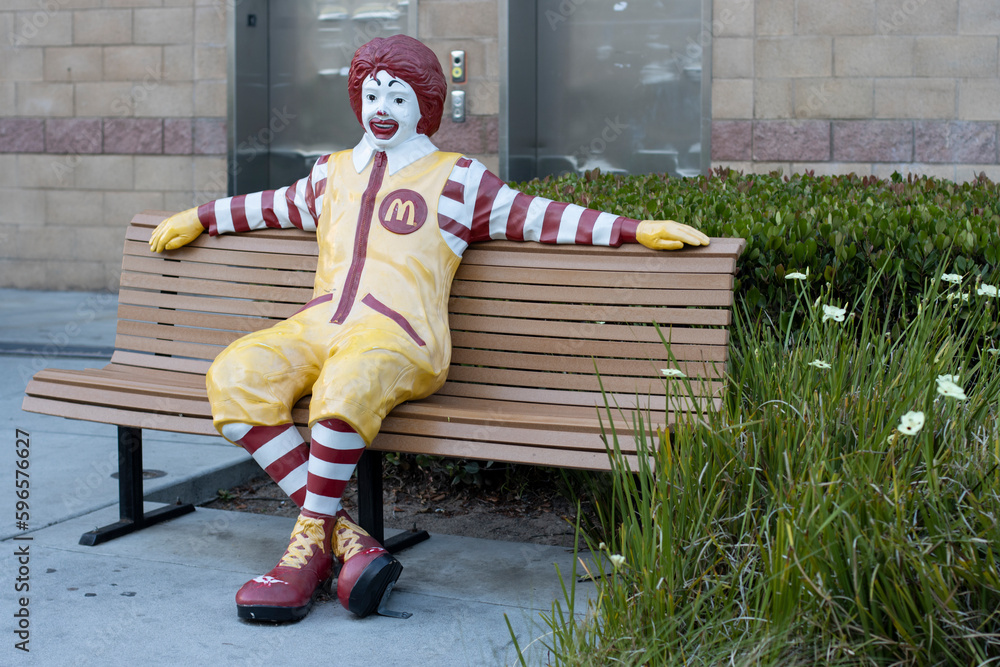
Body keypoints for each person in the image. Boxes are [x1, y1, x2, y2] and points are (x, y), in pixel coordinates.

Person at [149, 34, 709, 623]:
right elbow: (268, 205)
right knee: (235, 375)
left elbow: (541, 216)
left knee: (344, 388)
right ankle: (344, 541)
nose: (382, 109)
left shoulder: (458, 179)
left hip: (397, 337)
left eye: (397, 95)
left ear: (426, 105)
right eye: (370, 95)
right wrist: (199, 216)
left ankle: (303, 554)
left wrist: (632, 228)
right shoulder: (329, 174)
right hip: (318, 325)